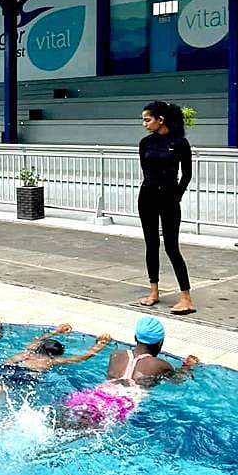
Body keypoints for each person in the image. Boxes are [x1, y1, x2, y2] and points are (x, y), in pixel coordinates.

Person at [61, 316, 199, 428]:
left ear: (135, 337)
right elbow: (178, 380)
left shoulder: (116, 355)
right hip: (120, 404)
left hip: (95, 396)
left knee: (68, 424)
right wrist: (187, 366)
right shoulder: (161, 365)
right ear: (160, 343)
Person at [138, 100, 196, 315]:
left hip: (169, 199)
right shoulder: (145, 143)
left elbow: (187, 174)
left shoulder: (180, 143)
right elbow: (146, 172)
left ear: (160, 120)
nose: (144, 124)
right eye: (143, 120)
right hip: (147, 197)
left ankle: (186, 297)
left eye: (147, 119)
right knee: (151, 245)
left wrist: (176, 196)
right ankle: (154, 291)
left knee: (172, 247)